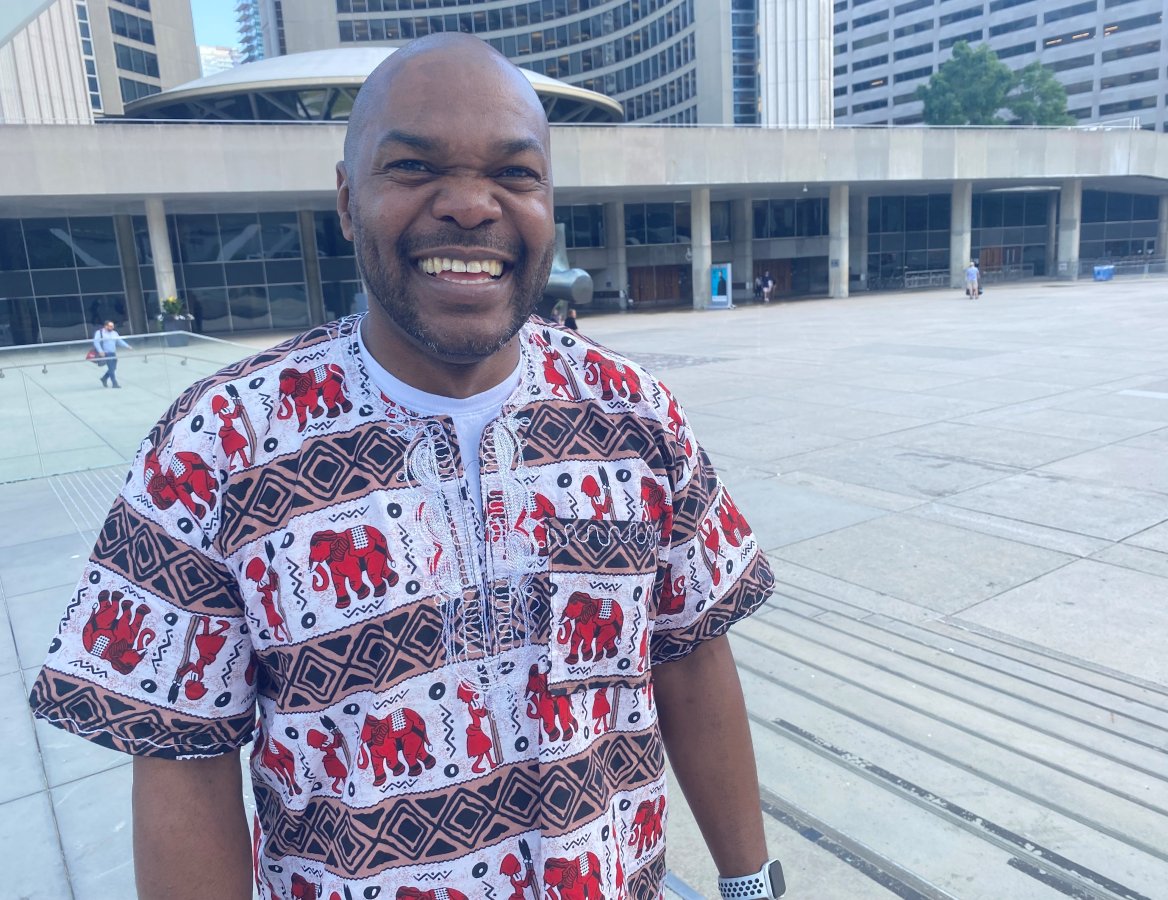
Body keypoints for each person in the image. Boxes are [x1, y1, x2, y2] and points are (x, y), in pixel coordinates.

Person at [29, 35, 784, 900]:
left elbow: (689, 658)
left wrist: (748, 887)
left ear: (550, 201)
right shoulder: (214, 448)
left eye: (515, 172)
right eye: (415, 166)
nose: (470, 205)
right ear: (348, 201)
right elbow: (182, 756)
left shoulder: (636, 414)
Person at [93, 319, 131, 388]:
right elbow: (96, 342)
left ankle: (104, 378)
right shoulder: (100, 333)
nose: (112, 327)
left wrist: (127, 346)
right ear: (106, 326)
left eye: (112, 326)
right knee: (111, 368)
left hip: (113, 353)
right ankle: (114, 383)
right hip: (105, 353)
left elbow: (119, 341)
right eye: (110, 326)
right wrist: (100, 351)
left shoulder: (114, 333)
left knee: (113, 368)